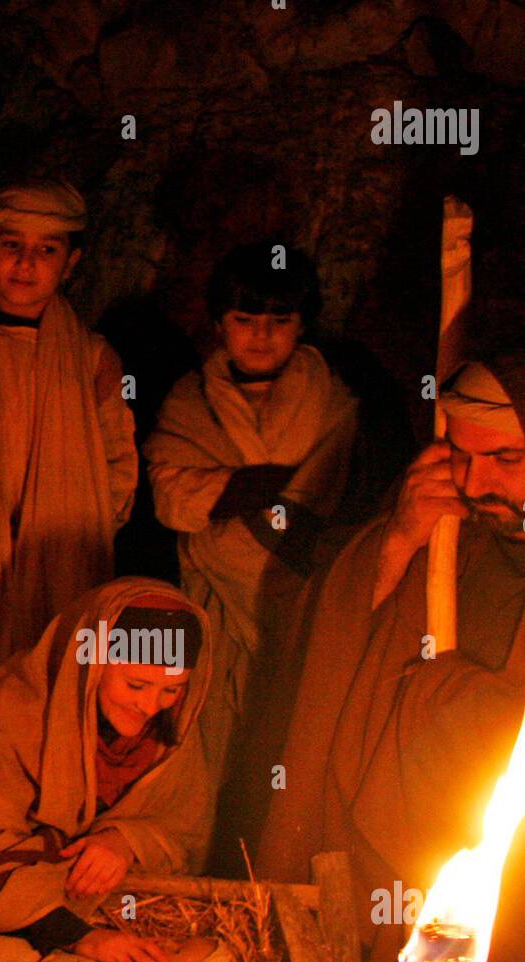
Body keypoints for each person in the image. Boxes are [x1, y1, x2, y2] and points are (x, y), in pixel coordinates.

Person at [256, 348, 525, 962]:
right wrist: (399, 542)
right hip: (414, 836)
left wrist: (461, 712)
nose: (477, 483)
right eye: (460, 454)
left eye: (505, 460)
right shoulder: (455, 534)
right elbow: (337, 657)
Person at [0, 578, 221, 962]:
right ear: (93, 661)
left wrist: (125, 840)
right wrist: (76, 935)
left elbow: (188, 827)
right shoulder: (12, 710)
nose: (151, 706)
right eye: (136, 685)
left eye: (171, 689)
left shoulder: (173, 730)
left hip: (110, 898)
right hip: (11, 892)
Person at [146, 243, 362, 863]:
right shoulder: (189, 403)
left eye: (278, 321)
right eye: (244, 321)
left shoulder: (335, 404)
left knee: (287, 734)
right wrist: (261, 490)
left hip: (300, 599)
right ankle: (195, 866)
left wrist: (245, 500)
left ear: (303, 324)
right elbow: (169, 493)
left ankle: (270, 866)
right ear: (219, 325)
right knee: (208, 738)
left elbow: (337, 499)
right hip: (216, 609)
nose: (260, 337)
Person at [0, 179, 138, 720]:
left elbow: (118, 468)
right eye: (11, 245)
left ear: (71, 263)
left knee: (47, 698)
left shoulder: (92, 359)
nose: (26, 263)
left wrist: (70, 524)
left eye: (47, 250)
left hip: (57, 558)